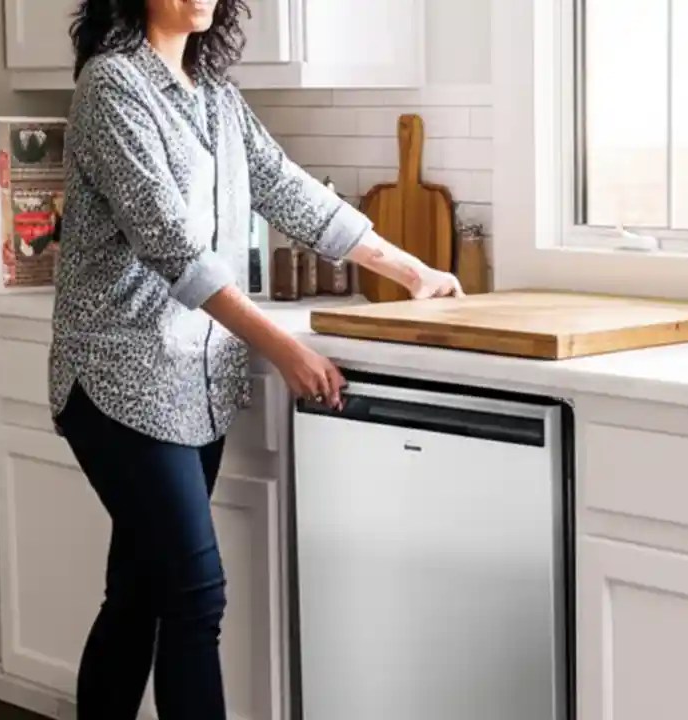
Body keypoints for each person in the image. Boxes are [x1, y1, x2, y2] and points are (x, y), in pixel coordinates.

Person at [52, 1, 463, 717]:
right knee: (194, 595)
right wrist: (282, 345)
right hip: (117, 379)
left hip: (195, 382)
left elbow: (290, 191)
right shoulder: (111, 88)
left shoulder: (217, 97)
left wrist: (410, 270)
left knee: (141, 593)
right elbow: (171, 245)